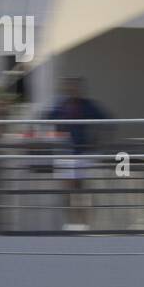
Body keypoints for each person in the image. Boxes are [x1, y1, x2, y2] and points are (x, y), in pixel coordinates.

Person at [46, 77, 110, 229]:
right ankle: (71, 222)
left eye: (75, 88)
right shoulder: (61, 105)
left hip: (83, 152)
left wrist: (97, 140)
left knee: (84, 189)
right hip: (65, 153)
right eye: (70, 88)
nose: (72, 91)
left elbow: (106, 120)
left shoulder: (88, 105)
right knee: (68, 190)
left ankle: (86, 223)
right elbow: (47, 118)